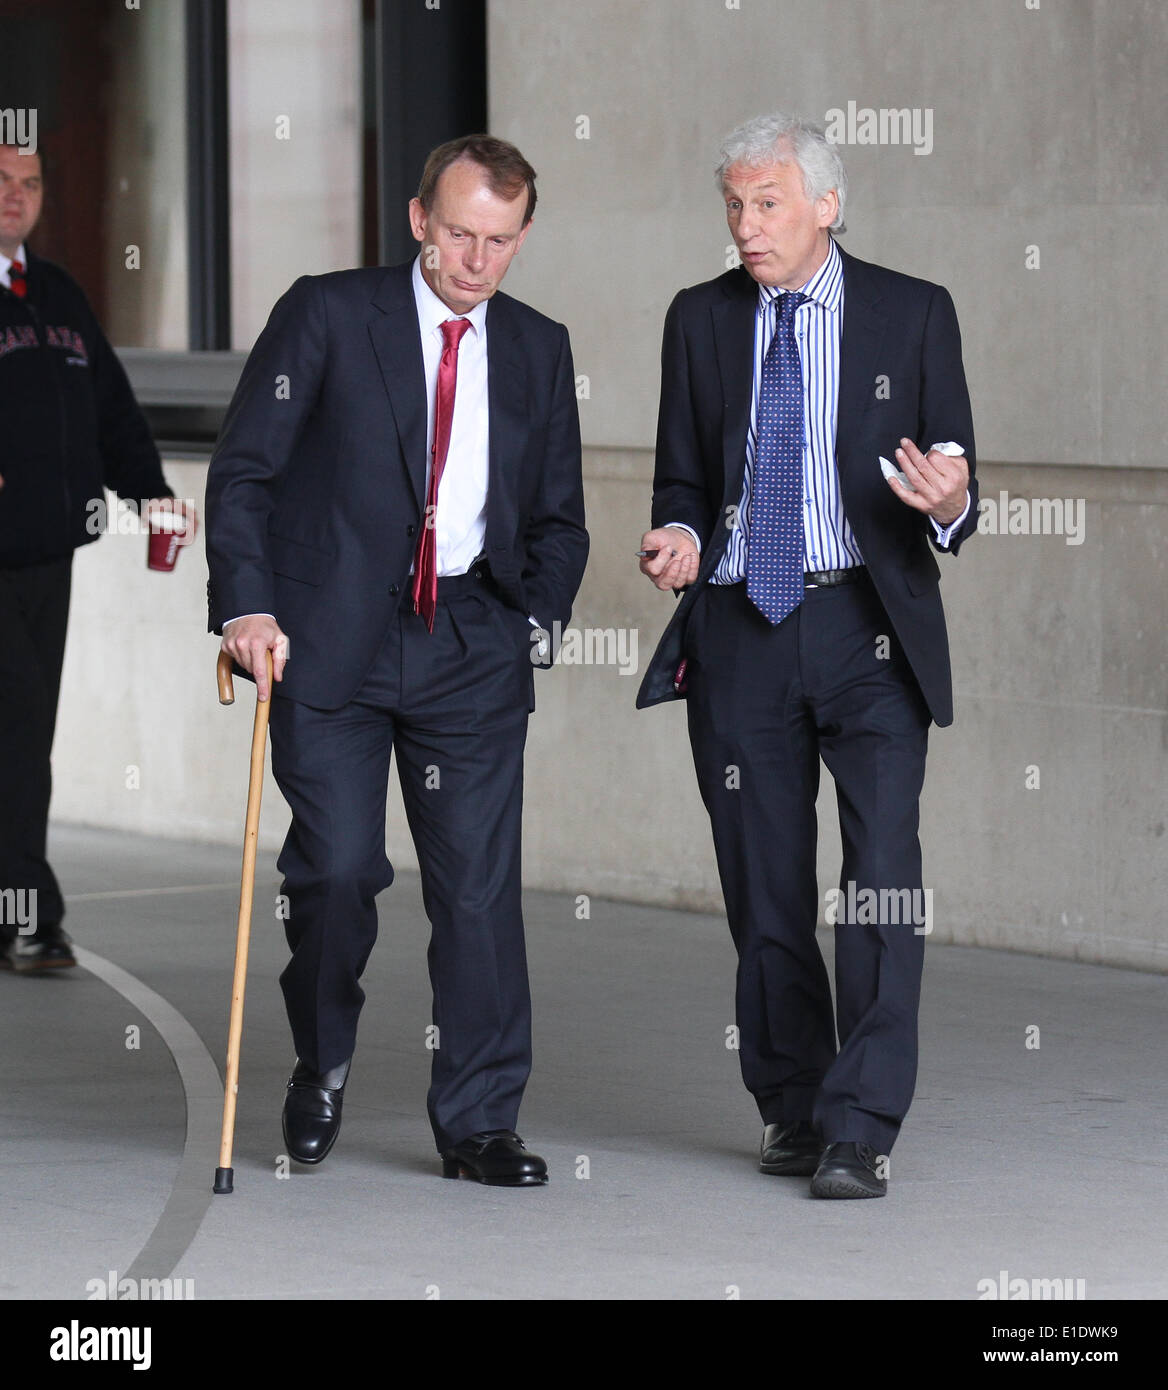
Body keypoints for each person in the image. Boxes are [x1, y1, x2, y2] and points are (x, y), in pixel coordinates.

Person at [206, 135, 588, 1186]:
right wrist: (247, 606)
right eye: (459, 233)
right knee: (335, 871)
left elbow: (559, 518)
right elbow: (243, 473)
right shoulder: (328, 313)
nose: (475, 260)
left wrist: (531, 625)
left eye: (499, 242)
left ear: (520, 240)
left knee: (476, 892)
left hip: (471, 640)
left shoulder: (540, 347)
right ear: (419, 220)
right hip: (328, 634)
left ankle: (478, 1120)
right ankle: (321, 1059)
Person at [636, 113, 977, 1198]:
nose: (746, 223)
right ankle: (792, 1104)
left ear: (828, 205)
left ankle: (861, 1122)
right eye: (733, 203)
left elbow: (955, 472)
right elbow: (681, 480)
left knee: (880, 876)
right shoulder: (698, 320)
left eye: (768, 202)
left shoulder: (913, 313)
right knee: (764, 884)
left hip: (866, 630)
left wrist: (952, 502)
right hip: (739, 629)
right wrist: (682, 535)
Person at [0, 143, 193, 975]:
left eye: (31, 182)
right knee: (12, 735)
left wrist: (149, 491)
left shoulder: (57, 294)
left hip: (48, 555)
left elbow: (110, 407)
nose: (17, 196)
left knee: (25, 739)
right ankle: (29, 914)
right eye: (1, 182)